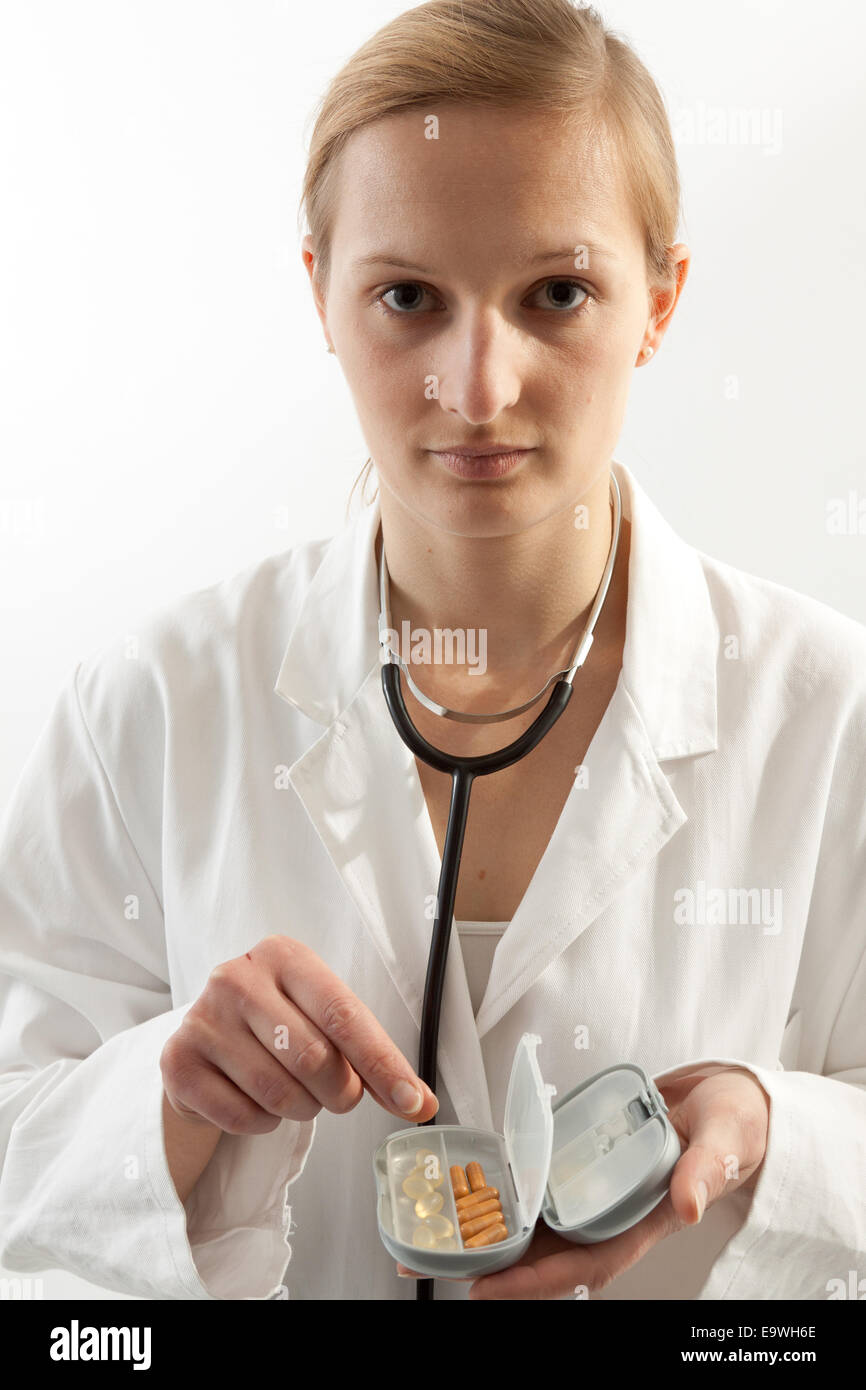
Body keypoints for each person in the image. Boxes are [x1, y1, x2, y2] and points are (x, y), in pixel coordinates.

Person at [1, 0, 864, 1303]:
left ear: (660, 303)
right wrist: (171, 1092)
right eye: (406, 295)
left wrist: (771, 1128)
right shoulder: (150, 706)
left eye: (556, 292)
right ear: (319, 298)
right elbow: (18, 1149)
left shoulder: (828, 712)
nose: (475, 386)